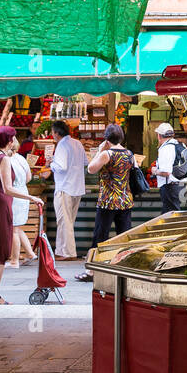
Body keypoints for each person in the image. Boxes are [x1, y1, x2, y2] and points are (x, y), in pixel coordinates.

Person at [0, 125, 43, 305]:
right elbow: (8, 188)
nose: (15, 141)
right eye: (13, 137)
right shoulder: (3, 159)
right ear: (8, 140)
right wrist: (31, 197)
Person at [79, 123, 136, 282]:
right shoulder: (129, 153)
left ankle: (92, 271)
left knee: (100, 236)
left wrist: (99, 151)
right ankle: (125, 268)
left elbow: (91, 168)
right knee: (124, 235)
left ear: (107, 138)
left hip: (108, 201)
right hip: (125, 200)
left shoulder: (106, 154)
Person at [48, 119, 87, 260]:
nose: (52, 135)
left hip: (65, 188)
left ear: (57, 133)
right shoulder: (77, 143)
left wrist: (51, 164)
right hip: (77, 187)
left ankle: (69, 253)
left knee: (64, 221)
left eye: (52, 132)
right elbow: (85, 163)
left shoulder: (61, 145)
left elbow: (61, 167)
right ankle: (61, 250)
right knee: (67, 221)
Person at [4, 135, 37, 268]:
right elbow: (29, 177)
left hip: (14, 195)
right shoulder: (21, 158)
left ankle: (14, 261)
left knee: (13, 230)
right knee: (17, 227)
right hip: (23, 192)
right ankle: (30, 253)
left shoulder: (6, 160)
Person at [153, 122, 187, 214]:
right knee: (171, 212)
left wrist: (155, 171)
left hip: (170, 186)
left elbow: (166, 172)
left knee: (171, 215)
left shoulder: (166, 148)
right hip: (180, 184)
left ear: (159, 136)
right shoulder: (180, 144)